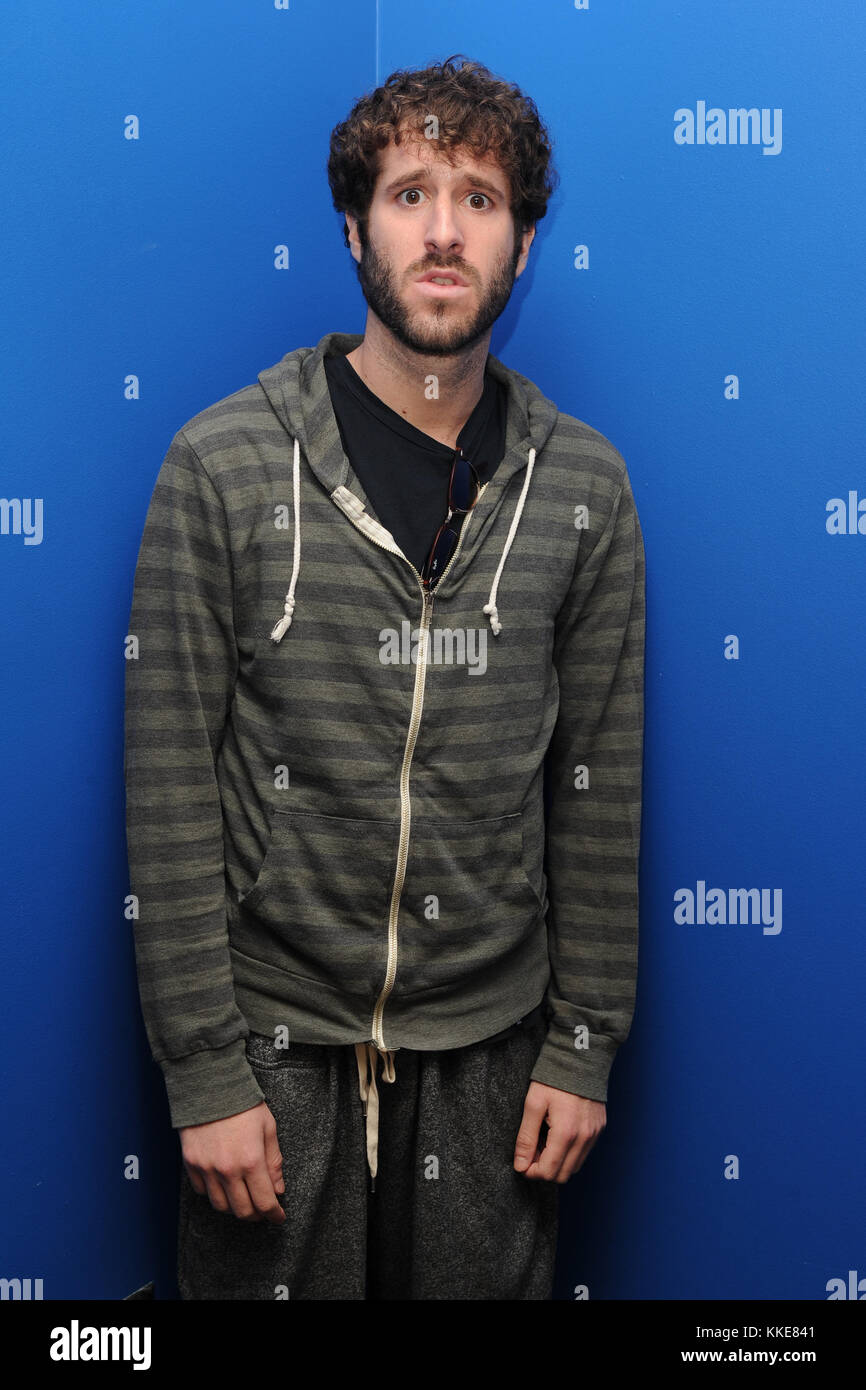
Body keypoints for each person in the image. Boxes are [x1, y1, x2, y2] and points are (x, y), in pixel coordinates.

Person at [124, 54, 646, 1301]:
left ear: (519, 246)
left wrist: (581, 1047)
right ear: (355, 227)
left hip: (494, 1060)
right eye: (410, 192)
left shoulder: (583, 488)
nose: (444, 229)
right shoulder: (221, 465)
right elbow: (169, 788)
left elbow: (599, 793)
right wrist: (204, 1070)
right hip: (274, 1057)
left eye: (479, 196)